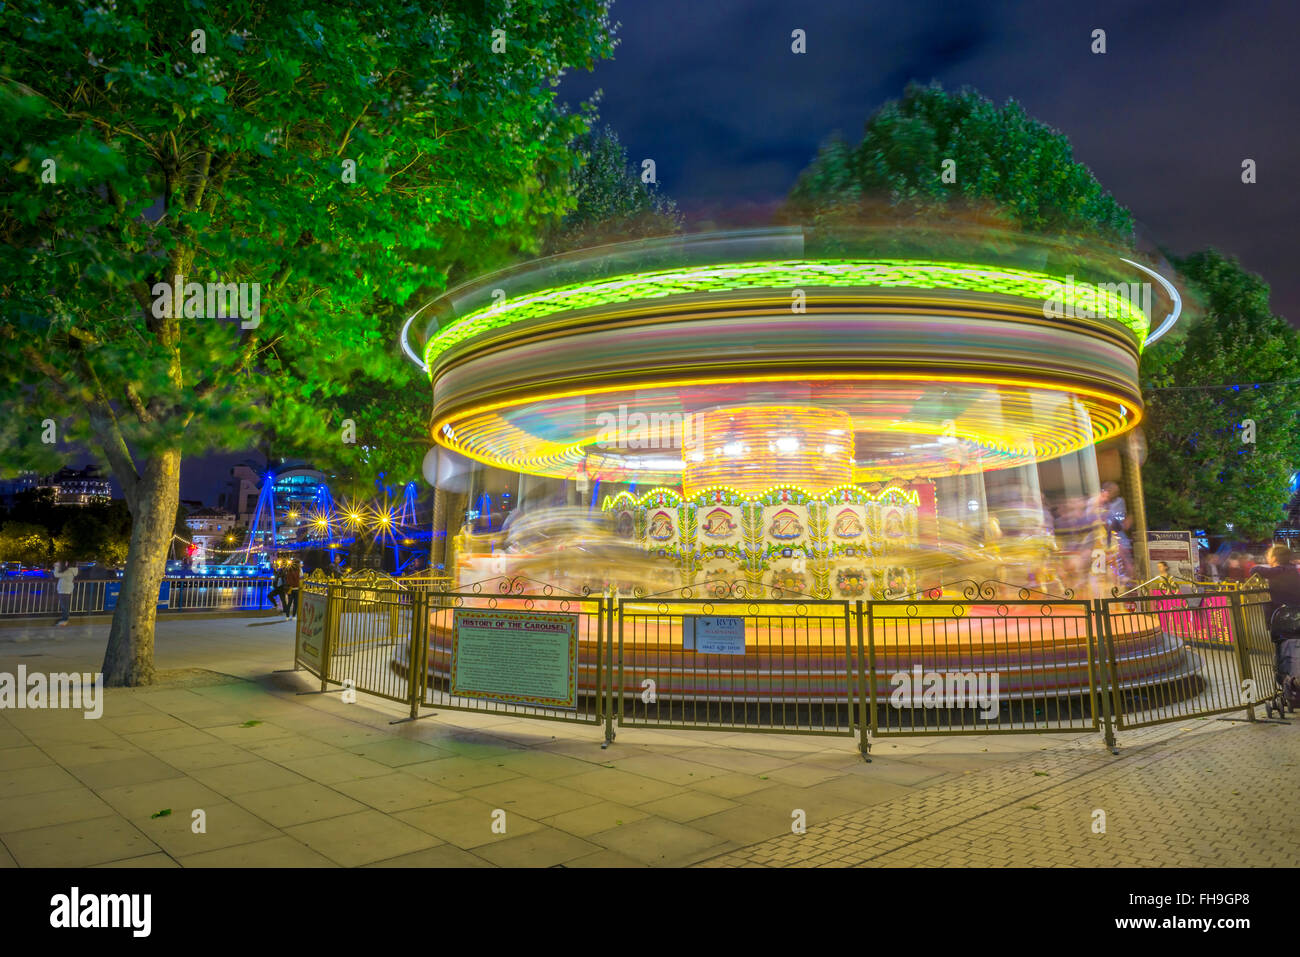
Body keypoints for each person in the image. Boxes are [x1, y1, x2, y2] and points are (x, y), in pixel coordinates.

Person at [52, 560, 78, 626]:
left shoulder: (69, 571)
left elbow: (56, 575)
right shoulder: (71, 571)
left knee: (64, 606)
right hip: (66, 590)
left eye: (67, 562)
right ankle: (64, 620)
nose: (65, 563)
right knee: (65, 606)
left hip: (64, 590)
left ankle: (65, 620)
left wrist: (56, 566)